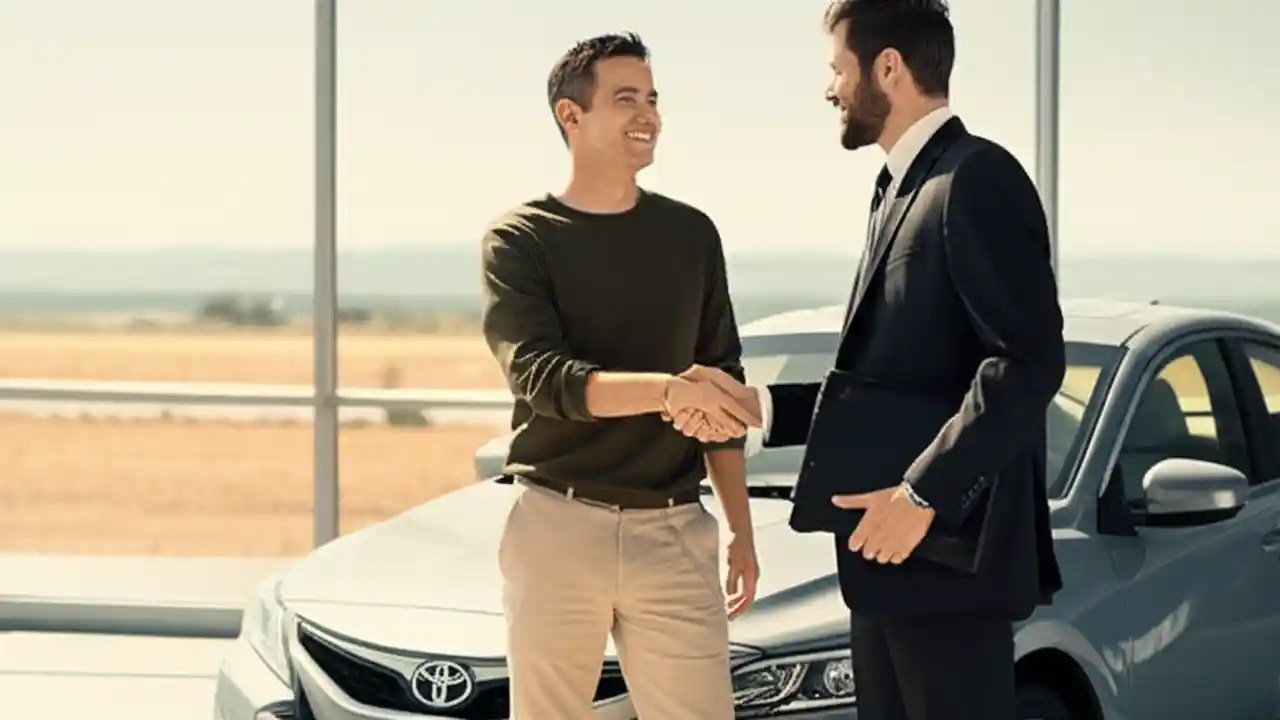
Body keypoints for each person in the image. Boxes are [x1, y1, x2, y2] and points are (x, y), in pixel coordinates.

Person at [669, 2, 1066, 718]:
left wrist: (922, 496)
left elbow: (1026, 363)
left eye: (837, 69)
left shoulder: (977, 179)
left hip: (950, 572)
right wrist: (758, 405)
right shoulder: (898, 190)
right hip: (883, 574)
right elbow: (892, 385)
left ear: (889, 67)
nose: (830, 89)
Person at [479, 32, 761, 720]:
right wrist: (666, 390)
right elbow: (544, 379)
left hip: (672, 533)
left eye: (653, 98)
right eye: (626, 98)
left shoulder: (692, 236)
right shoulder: (520, 240)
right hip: (555, 525)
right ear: (570, 116)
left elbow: (721, 378)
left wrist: (741, 529)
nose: (649, 114)